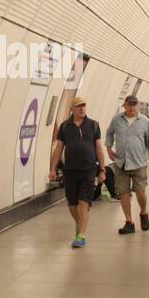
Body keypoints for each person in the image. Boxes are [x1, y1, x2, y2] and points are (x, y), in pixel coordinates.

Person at [49, 96, 106, 248]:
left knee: (83, 202)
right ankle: (80, 225)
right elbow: (59, 148)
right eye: (78, 106)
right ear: (72, 109)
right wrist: (53, 168)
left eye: (84, 106)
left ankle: (80, 235)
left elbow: (99, 149)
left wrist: (102, 169)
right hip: (70, 170)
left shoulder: (93, 125)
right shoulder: (64, 127)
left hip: (88, 169)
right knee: (72, 204)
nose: (82, 108)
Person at [106, 95, 149, 234]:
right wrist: (109, 148)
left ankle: (144, 212)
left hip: (139, 162)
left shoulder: (144, 121)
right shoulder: (117, 120)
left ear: (138, 106)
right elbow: (109, 134)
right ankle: (129, 222)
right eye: (129, 104)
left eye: (134, 105)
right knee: (124, 193)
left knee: (140, 191)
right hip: (120, 163)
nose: (132, 107)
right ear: (124, 105)